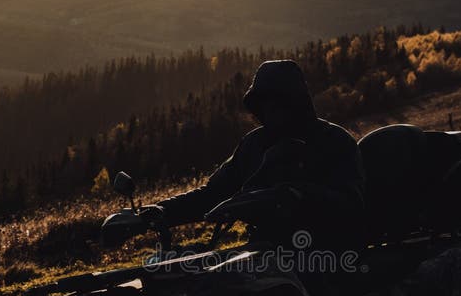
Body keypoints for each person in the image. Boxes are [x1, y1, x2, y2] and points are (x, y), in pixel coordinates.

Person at [145, 59, 365, 250]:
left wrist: (298, 195)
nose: (271, 112)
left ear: (298, 103)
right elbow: (212, 195)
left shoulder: (334, 141)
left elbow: (351, 205)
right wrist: (161, 211)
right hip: (264, 254)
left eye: (280, 104)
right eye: (263, 105)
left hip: (326, 256)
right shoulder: (254, 145)